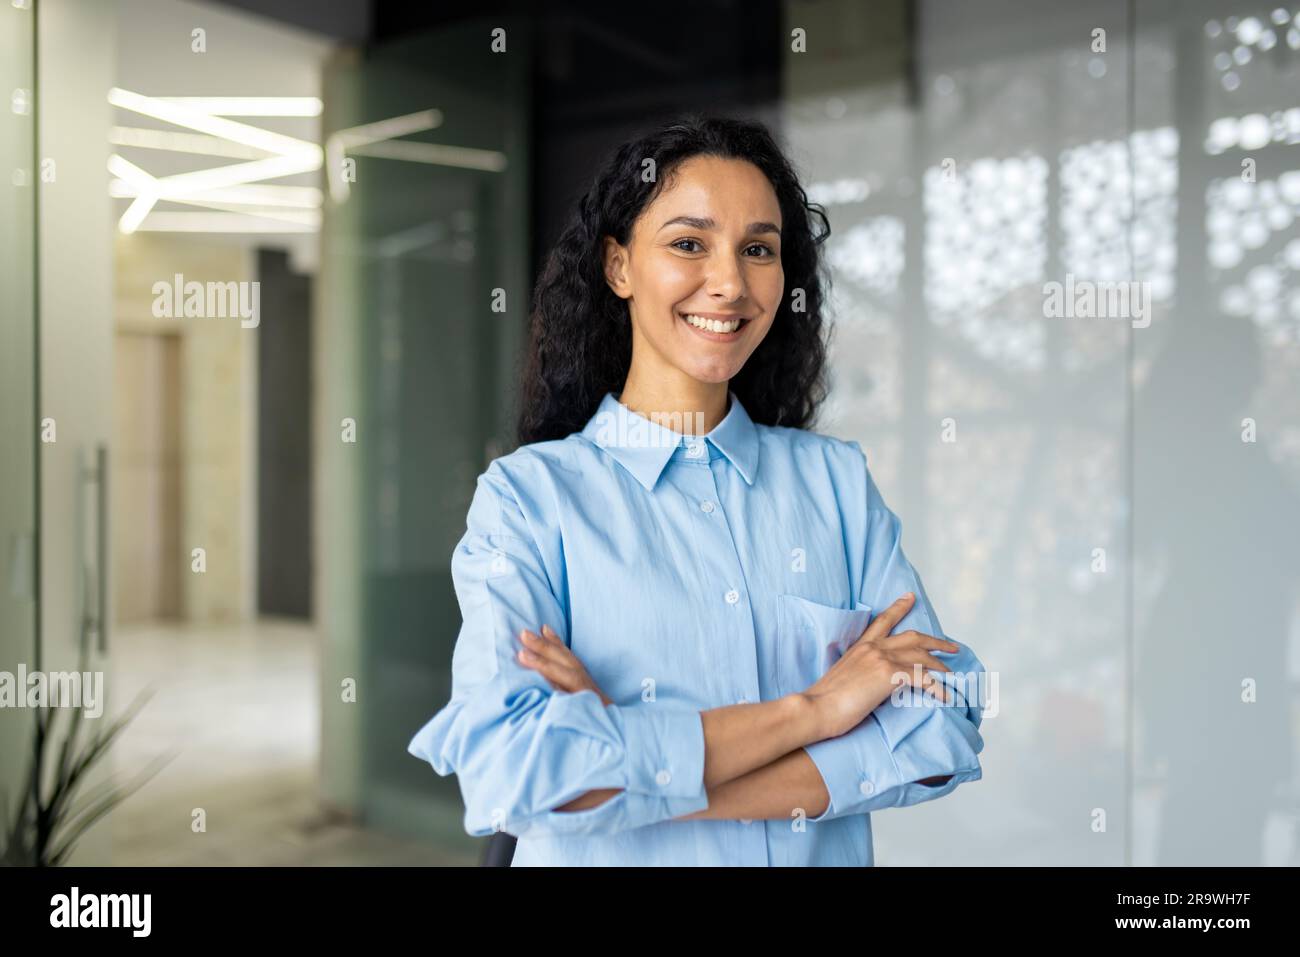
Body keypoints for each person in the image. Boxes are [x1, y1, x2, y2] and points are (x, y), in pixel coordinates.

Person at [407, 113, 986, 866]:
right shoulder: (531, 501)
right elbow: (518, 770)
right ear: (619, 267)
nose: (730, 283)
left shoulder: (835, 483)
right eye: (689, 243)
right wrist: (816, 710)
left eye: (758, 249)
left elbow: (943, 724)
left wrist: (637, 758)